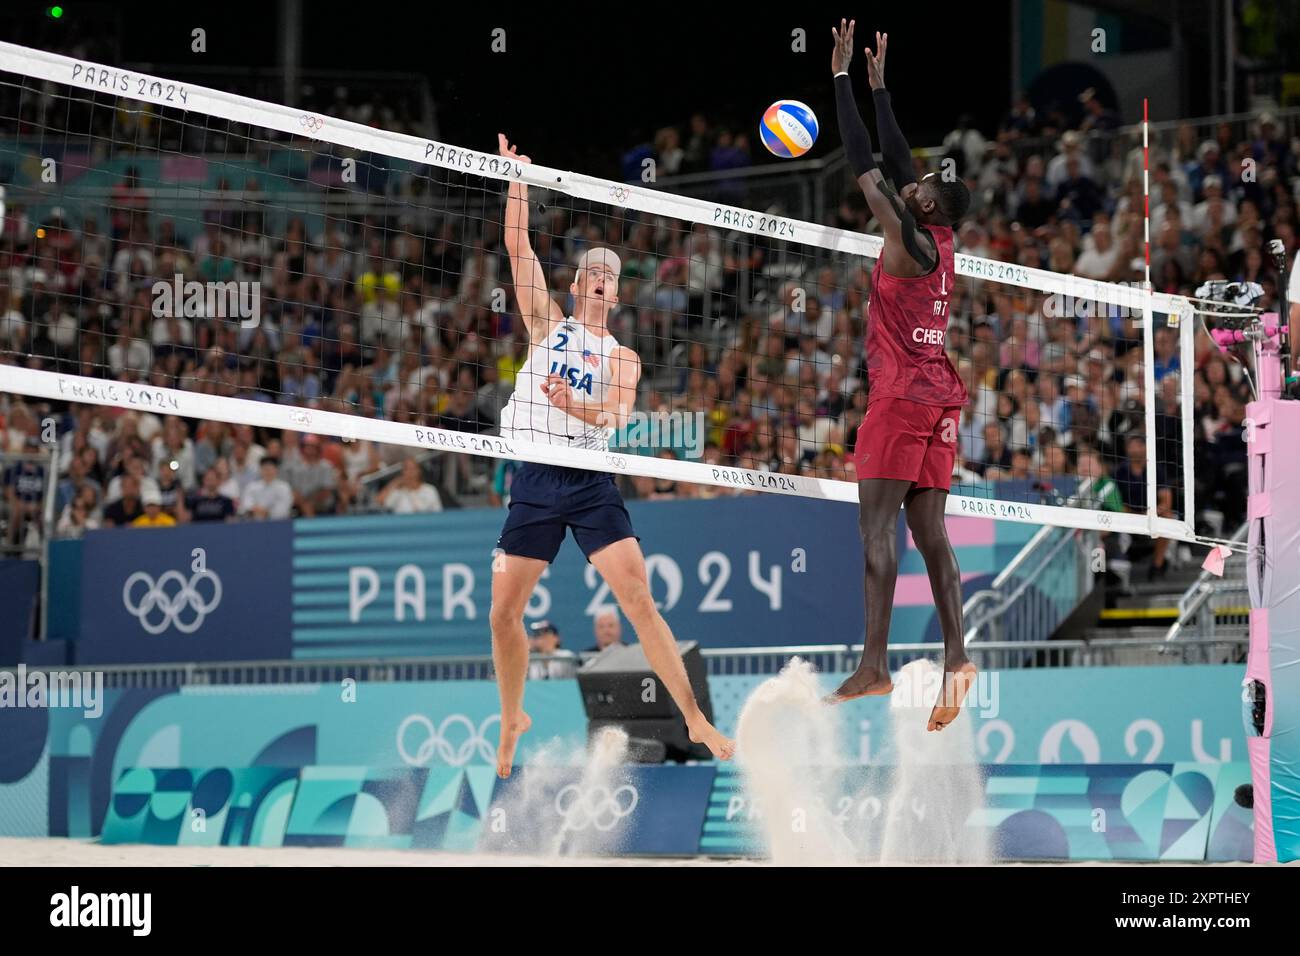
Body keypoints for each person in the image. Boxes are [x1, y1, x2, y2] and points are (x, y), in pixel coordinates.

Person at [489, 133, 734, 777]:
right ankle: (512, 714)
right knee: (503, 614)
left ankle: (694, 717)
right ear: (575, 284)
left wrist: (573, 407)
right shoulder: (545, 323)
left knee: (639, 600)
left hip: (591, 479)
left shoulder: (624, 358)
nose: (600, 279)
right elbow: (517, 248)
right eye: (592, 272)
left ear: (617, 294)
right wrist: (519, 180)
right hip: (537, 477)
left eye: (611, 276)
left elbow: (615, 417)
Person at [825, 22, 976, 731]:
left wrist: (837, 80)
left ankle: (874, 664)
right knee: (933, 533)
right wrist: (879, 85)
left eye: (921, 187)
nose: (914, 182)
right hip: (942, 395)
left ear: (924, 207)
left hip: (902, 396)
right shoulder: (938, 240)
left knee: (875, 532)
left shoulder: (908, 237)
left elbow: (864, 161)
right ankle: (957, 659)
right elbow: (895, 155)